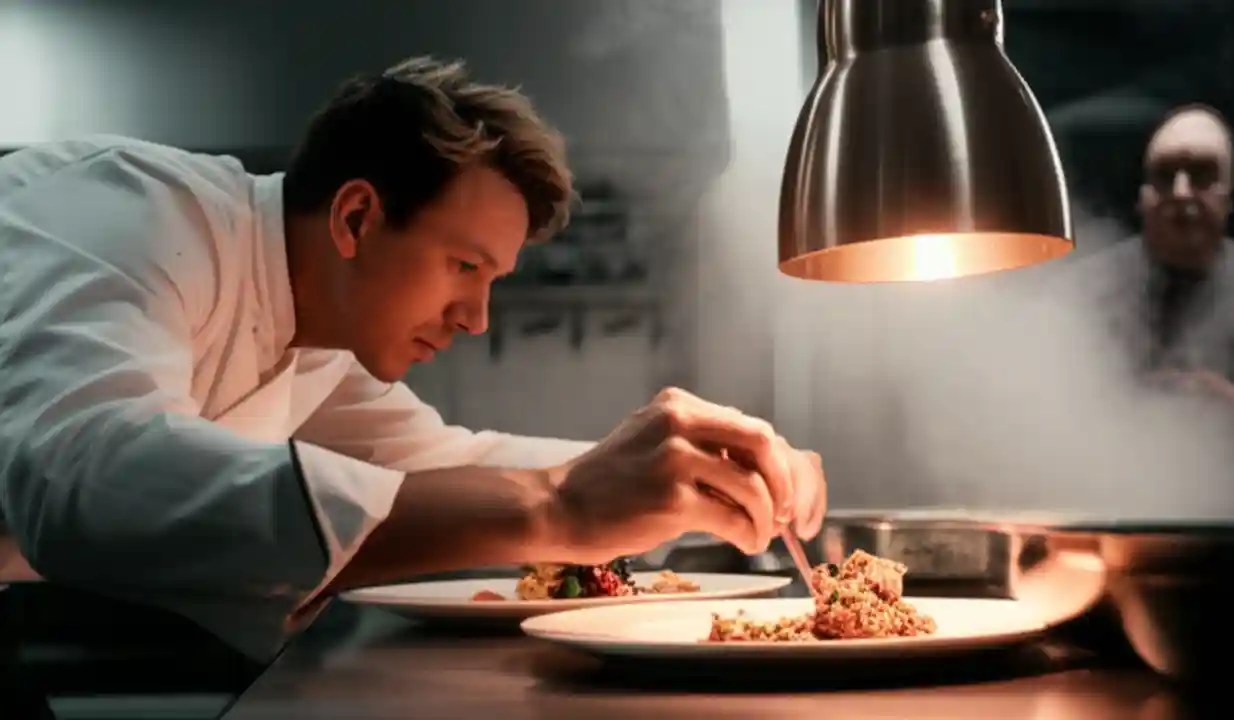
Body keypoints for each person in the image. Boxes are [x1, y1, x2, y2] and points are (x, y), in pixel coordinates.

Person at [0, 56, 828, 662]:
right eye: (464, 266)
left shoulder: (315, 339)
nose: (477, 318)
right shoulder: (132, 210)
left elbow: (445, 465)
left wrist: (696, 475)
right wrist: (557, 506)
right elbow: (80, 477)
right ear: (356, 219)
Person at [1068, 103, 1234, 465]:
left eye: (1201, 174)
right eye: (1164, 176)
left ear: (1230, 194)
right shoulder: (1084, 293)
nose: (1181, 192)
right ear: (1142, 196)